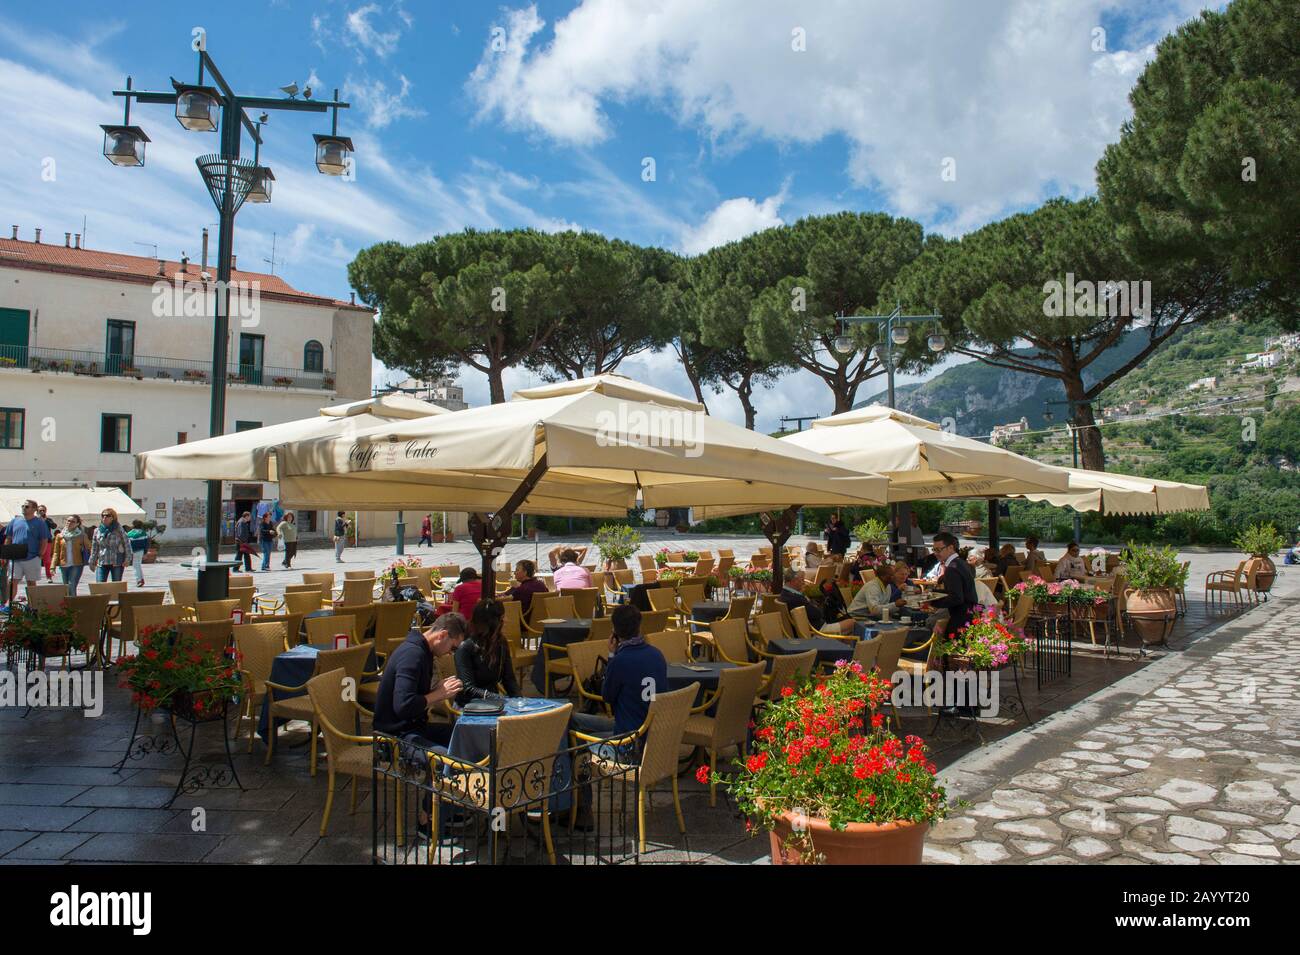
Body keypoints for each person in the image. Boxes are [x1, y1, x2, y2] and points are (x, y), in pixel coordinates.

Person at [372, 608, 466, 836]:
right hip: (393, 736)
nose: (450, 654)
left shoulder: (422, 651)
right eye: (452, 647)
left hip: (412, 727)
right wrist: (437, 695)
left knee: (462, 740)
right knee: (446, 758)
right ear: (442, 635)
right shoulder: (413, 655)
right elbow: (402, 706)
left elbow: (412, 698)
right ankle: (428, 820)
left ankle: (447, 804)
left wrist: (434, 691)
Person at [570, 604, 667, 738]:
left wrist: (611, 655)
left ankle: (575, 756)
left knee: (574, 731)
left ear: (615, 630)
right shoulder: (657, 655)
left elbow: (607, 696)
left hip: (627, 739)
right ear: (639, 627)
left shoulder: (620, 661)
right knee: (574, 719)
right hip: (652, 729)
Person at [454, 600, 519, 704]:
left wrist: (519, 701)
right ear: (497, 622)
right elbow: (468, 689)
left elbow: (509, 679)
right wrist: (501, 699)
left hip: (494, 701)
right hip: (469, 705)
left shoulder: (500, 643)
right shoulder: (465, 647)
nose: (505, 622)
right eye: (502, 619)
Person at [926, 532, 978, 638]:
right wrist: (932, 593)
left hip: (960, 619)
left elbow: (956, 598)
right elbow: (955, 591)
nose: (935, 553)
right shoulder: (961, 563)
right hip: (969, 615)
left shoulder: (951, 568)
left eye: (938, 549)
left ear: (950, 547)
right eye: (934, 550)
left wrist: (932, 602)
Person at [3, 499, 51, 603]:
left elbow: (44, 539)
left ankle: (33, 605)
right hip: (16, 558)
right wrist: (6, 554)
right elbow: (8, 538)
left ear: (34, 509)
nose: (24, 508)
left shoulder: (40, 523)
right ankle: (9, 604)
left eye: (27, 507)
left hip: (32, 557)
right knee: (12, 582)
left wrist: (40, 554)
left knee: (31, 583)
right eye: (23, 506)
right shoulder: (15, 521)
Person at [51, 514, 92, 596]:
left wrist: (93, 560)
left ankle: (73, 606)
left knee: (71, 585)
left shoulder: (81, 535)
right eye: (68, 521)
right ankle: (68, 607)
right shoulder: (60, 536)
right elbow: (56, 552)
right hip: (64, 565)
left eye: (73, 521)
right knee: (66, 587)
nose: (69, 523)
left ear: (77, 524)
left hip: (76, 564)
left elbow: (90, 548)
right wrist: (52, 566)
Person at [89, 507, 130, 583]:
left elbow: (126, 544)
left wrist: (127, 559)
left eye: (108, 515)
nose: (105, 517)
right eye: (103, 515)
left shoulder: (118, 529)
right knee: (99, 585)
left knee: (116, 585)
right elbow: (95, 547)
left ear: (113, 518)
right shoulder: (97, 530)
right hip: (102, 560)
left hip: (116, 561)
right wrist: (92, 561)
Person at [37, 505, 57, 581]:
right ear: (37, 512)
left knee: (47, 560)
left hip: (47, 541)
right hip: (36, 542)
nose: (42, 512)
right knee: (35, 559)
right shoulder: (35, 520)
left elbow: (54, 526)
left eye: (43, 510)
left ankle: (49, 576)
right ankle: (34, 576)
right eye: (40, 510)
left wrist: (46, 520)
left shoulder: (48, 519)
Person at [126, 519, 149, 587]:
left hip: (133, 551)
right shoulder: (143, 533)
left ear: (133, 525)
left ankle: (139, 580)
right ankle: (141, 579)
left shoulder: (129, 533)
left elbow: (128, 544)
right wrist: (145, 552)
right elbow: (146, 544)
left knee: (136, 566)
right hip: (141, 551)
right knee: (138, 565)